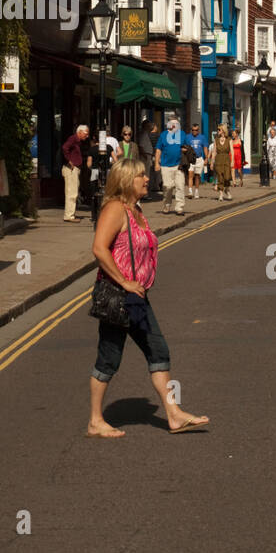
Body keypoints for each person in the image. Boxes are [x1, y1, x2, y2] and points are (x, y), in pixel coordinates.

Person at [87, 159, 209, 438]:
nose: (146, 179)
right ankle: (95, 420)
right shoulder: (115, 209)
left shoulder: (136, 210)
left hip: (137, 297)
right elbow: (99, 249)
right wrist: (125, 281)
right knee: (109, 358)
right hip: (118, 296)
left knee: (158, 351)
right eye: (141, 175)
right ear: (126, 180)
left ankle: (173, 414)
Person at [156, 117, 186, 215]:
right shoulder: (163, 135)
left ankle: (179, 207)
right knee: (167, 187)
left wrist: (185, 150)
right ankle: (167, 204)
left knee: (180, 186)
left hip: (179, 165)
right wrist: (157, 163)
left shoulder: (182, 134)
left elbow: (186, 147)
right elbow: (158, 149)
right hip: (165, 165)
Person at [61, 124, 90, 221]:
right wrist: (70, 161)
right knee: (71, 192)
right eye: (86, 133)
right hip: (71, 169)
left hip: (74, 169)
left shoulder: (78, 141)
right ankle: (69, 215)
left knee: (73, 191)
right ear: (80, 132)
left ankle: (70, 214)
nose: (87, 136)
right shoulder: (73, 139)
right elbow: (65, 148)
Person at [210, 124, 233, 200]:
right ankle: (221, 194)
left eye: (219, 130)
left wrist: (232, 161)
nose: (218, 131)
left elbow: (232, 152)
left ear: (223, 130)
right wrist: (212, 162)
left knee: (227, 177)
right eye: (218, 130)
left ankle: (227, 190)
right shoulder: (216, 140)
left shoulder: (229, 139)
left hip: (226, 159)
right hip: (218, 160)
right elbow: (214, 152)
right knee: (220, 177)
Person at [185, 121, 208, 198]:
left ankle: (197, 191)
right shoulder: (187, 137)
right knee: (190, 175)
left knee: (197, 176)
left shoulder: (202, 137)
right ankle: (190, 191)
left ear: (198, 130)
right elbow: (184, 147)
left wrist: (206, 158)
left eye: (196, 130)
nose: (194, 131)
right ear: (191, 130)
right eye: (193, 130)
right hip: (191, 159)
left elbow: (205, 148)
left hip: (199, 159)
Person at [138, 117, 159, 197]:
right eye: (148, 125)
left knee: (148, 174)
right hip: (145, 155)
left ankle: (146, 192)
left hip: (147, 155)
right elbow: (141, 146)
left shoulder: (146, 133)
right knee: (145, 174)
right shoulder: (143, 134)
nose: (150, 127)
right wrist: (144, 155)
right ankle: (144, 193)